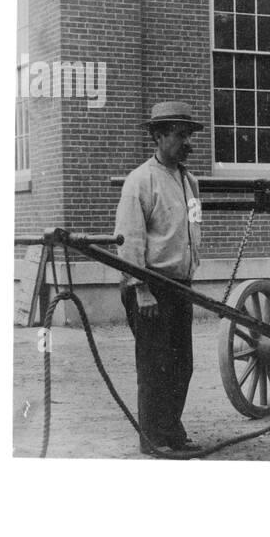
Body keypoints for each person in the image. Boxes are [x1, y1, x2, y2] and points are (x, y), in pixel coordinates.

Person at [114, 101, 204, 455]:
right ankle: (153, 439)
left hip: (180, 286)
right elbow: (129, 240)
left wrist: (192, 266)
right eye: (179, 135)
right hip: (149, 287)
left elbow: (195, 226)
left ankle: (172, 431)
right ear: (158, 135)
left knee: (182, 365)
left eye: (188, 135)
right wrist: (142, 290)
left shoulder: (190, 182)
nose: (185, 142)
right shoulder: (140, 182)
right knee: (156, 367)